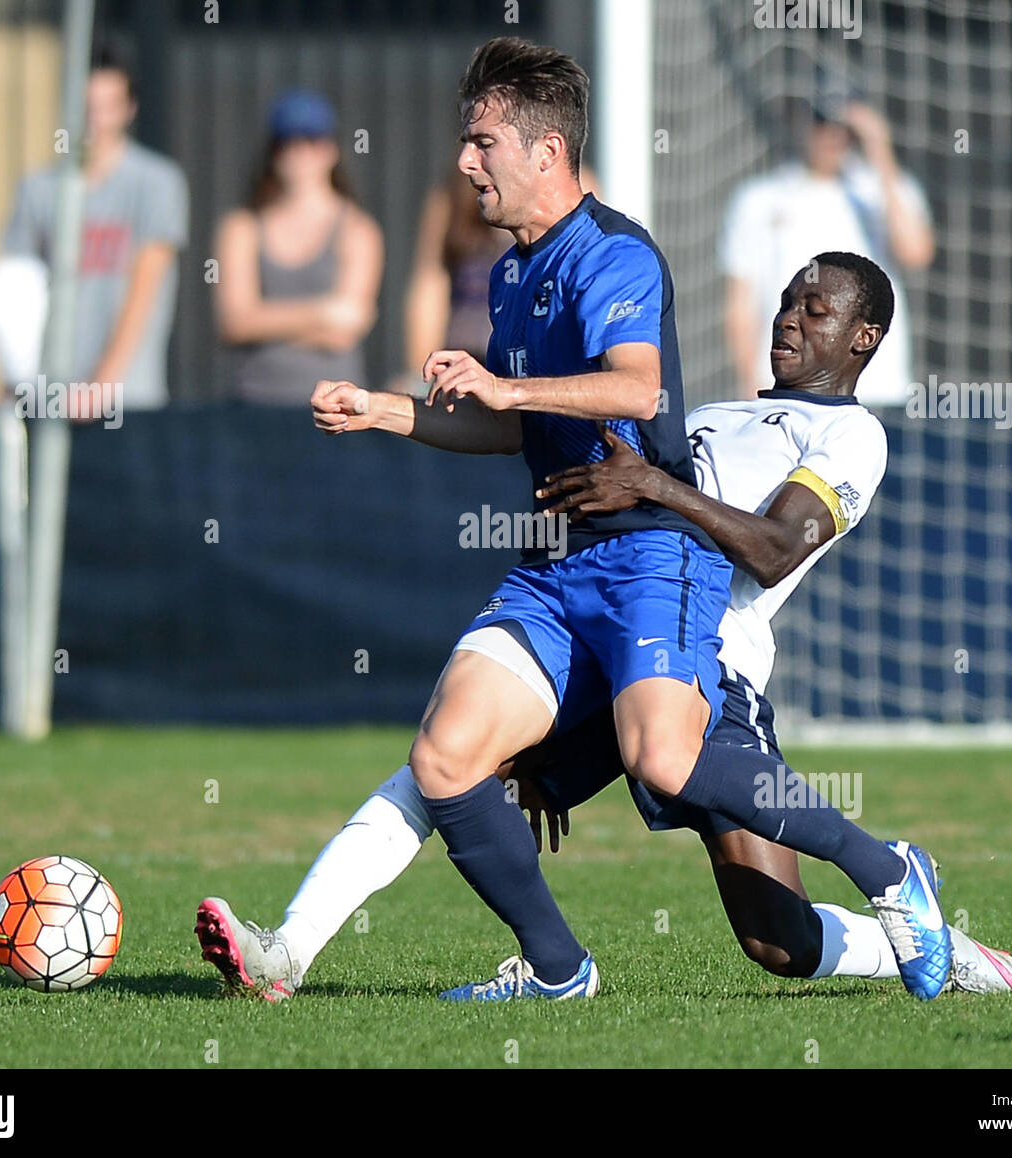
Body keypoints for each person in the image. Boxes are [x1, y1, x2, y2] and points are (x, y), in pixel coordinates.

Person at [207, 39, 951, 1003]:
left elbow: (639, 392)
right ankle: (540, 970)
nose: (465, 162)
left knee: (680, 780)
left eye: (480, 143)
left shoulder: (617, 254)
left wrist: (523, 398)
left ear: (544, 149)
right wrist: (387, 409)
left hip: (655, 570)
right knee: (445, 756)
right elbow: (511, 426)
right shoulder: (517, 275)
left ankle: (891, 873)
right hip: (558, 566)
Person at [195, 254, 1012, 1003]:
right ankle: (291, 951)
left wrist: (655, 487)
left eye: (815, 309)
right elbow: (535, 444)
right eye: (786, 299)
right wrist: (392, 411)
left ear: (864, 338)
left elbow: (778, 548)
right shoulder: (710, 416)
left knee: (775, 940)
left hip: (711, 664)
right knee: (446, 764)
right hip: (612, 635)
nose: (788, 317)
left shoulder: (849, 432)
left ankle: (910, 896)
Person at [0, 46, 188, 410]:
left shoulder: (157, 183)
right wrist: (14, 379)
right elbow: (16, 291)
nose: (95, 120)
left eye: (107, 107)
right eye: (86, 106)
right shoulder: (38, 188)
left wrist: (103, 385)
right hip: (47, 392)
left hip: (126, 396)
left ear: (128, 109)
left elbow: (146, 285)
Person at [721, 94, 933, 406]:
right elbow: (740, 302)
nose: (832, 137)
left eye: (842, 128)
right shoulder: (761, 197)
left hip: (876, 386)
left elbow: (916, 253)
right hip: (787, 388)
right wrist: (748, 377)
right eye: (821, 125)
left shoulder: (883, 190)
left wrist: (880, 151)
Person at [215, 90, 383, 406]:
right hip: (252, 402)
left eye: (312, 141)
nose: (300, 153)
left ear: (331, 149)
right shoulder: (241, 227)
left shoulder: (358, 229)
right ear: (273, 152)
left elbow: (343, 333)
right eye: (288, 143)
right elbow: (235, 323)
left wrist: (264, 322)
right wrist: (325, 312)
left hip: (335, 410)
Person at [402, 163, 600, 378]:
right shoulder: (455, 190)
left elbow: (592, 280)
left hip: (541, 364)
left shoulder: (573, 182)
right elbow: (432, 282)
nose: (467, 157)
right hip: (468, 356)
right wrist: (419, 371)